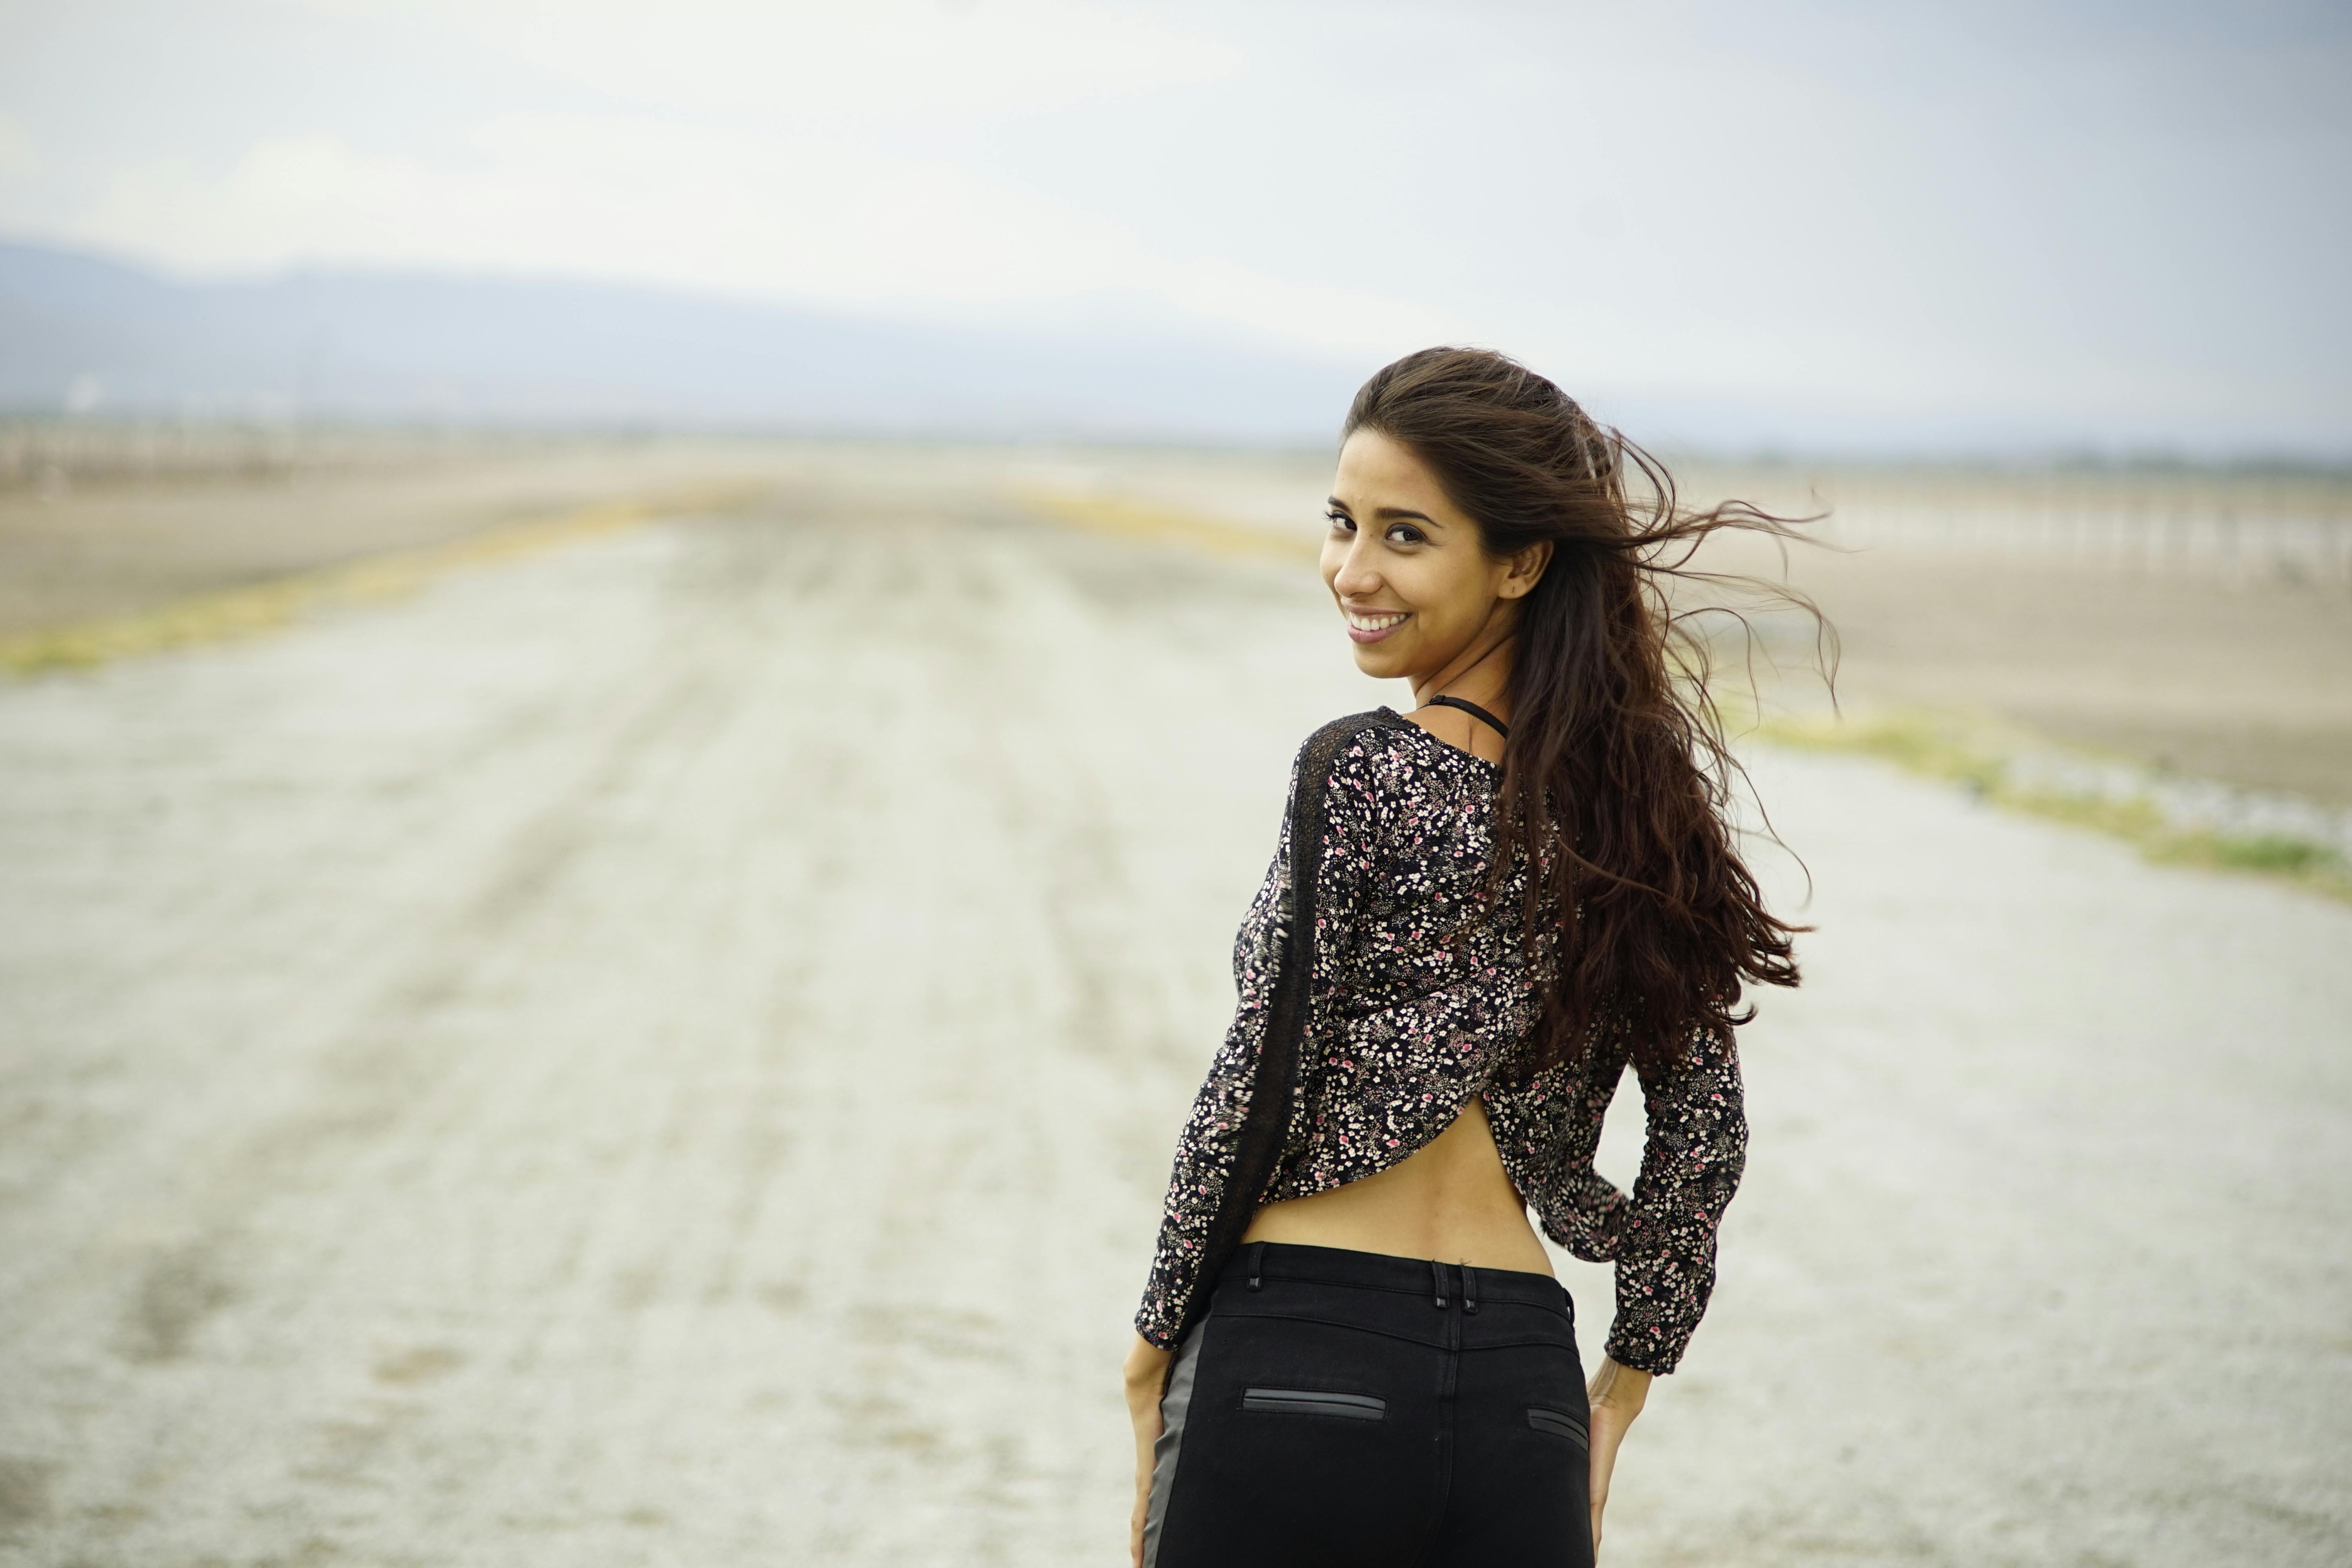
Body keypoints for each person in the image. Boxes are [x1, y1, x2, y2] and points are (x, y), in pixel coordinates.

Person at [1124, 347, 1812, 1567]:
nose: (1351, 570)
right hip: (1522, 1390)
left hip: (1301, 1351)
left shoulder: (1363, 768)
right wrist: (1622, 1384)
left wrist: (1156, 1336)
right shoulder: (1639, 820)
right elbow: (1704, 1136)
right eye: (1341, 523)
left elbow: (1260, 1077)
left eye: (1404, 535)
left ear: (1521, 561)